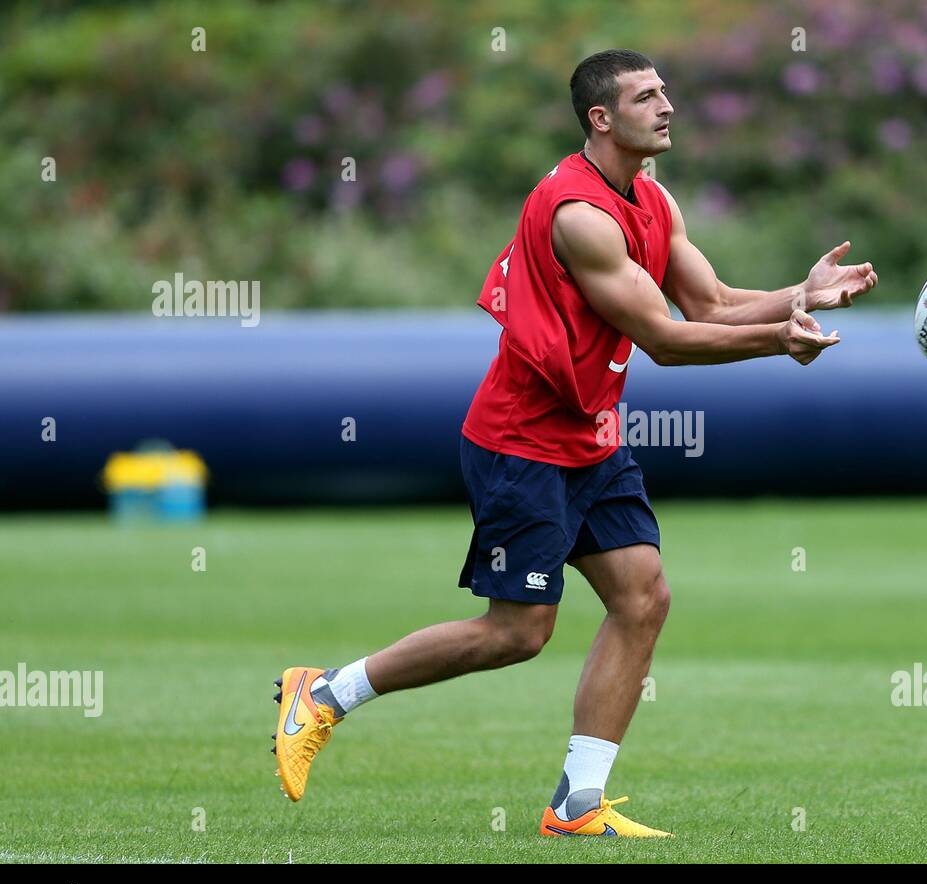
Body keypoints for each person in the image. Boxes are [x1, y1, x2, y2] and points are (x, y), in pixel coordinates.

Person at [272, 48, 877, 837]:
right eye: (645, 96)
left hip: (591, 438)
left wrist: (802, 294)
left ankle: (576, 804)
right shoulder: (578, 215)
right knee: (517, 632)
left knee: (642, 597)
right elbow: (663, 337)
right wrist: (781, 340)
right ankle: (323, 694)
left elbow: (714, 301)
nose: (667, 105)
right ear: (601, 118)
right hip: (522, 442)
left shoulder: (653, 199)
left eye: (665, 89)